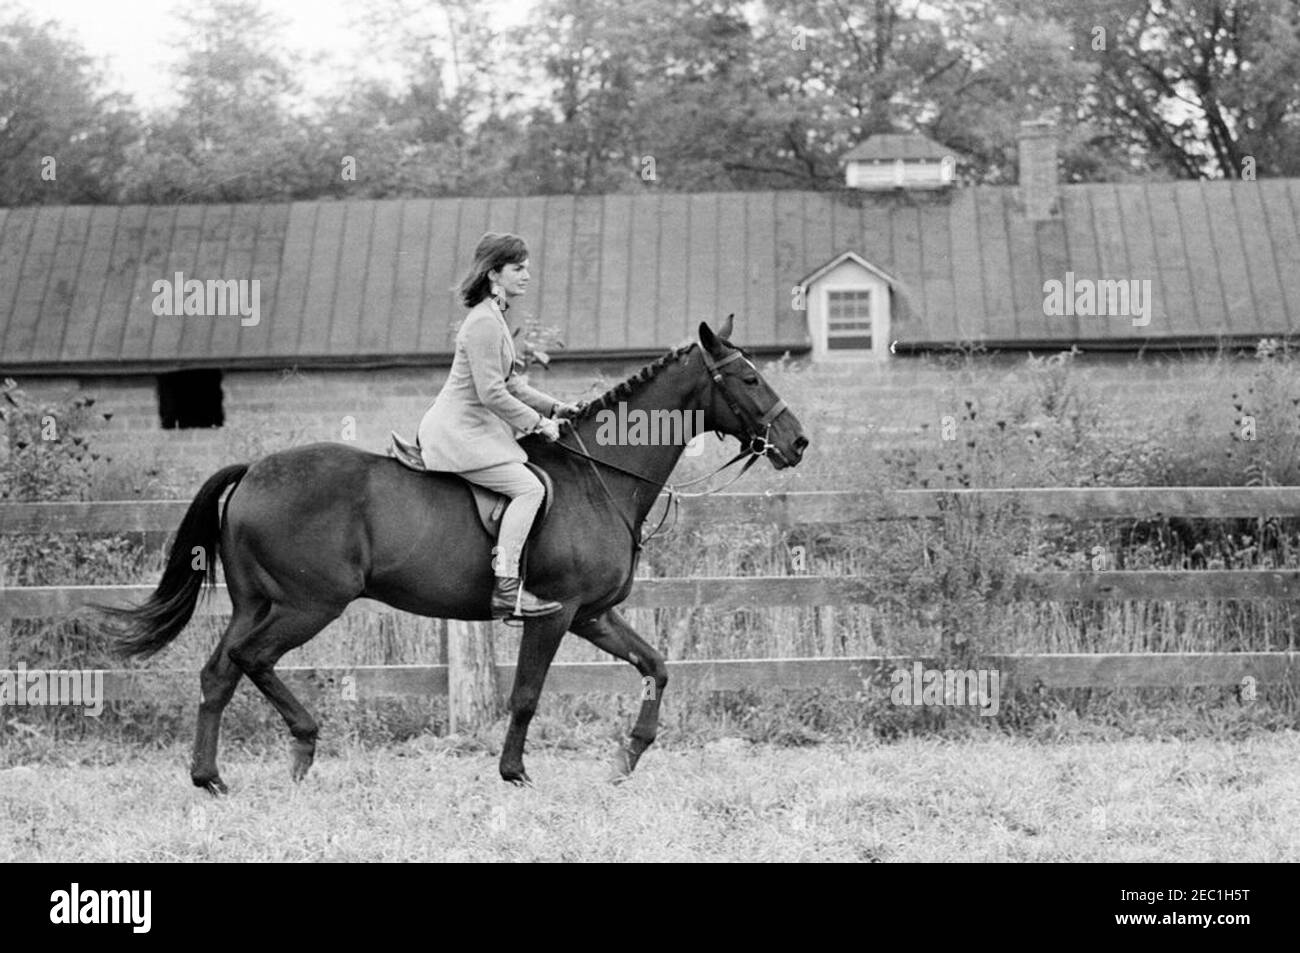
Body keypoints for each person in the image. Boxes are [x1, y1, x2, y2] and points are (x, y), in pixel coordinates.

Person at [418, 233, 579, 620]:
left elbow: (511, 384)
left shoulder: (495, 318)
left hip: (473, 430)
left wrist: (556, 407)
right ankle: (507, 589)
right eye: (518, 268)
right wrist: (539, 425)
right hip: (459, 433)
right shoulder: (484, 324)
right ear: (494, 274)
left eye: (526, 268)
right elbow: (491, 394)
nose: (527, 275)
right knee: (528, 489)